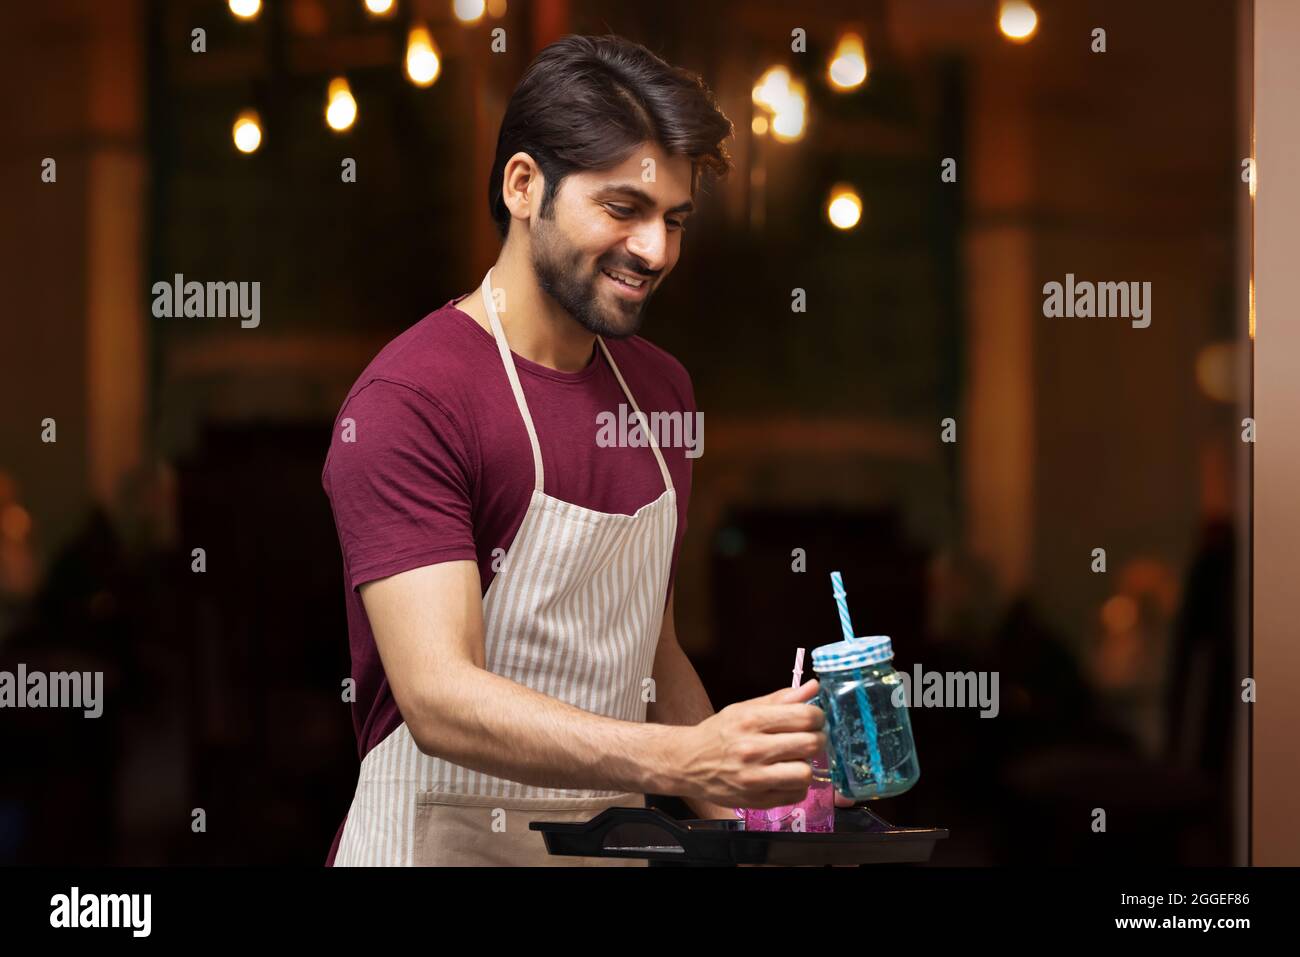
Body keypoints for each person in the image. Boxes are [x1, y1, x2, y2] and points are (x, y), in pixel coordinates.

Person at [322, 34, 826, 866]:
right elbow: (438, 696)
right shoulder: (411, 400)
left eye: (673, 220)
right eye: (623, 209)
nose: (656, 251)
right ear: (525, 186)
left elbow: (652, 663)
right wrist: (683, 757)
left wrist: (757, 810)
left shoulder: (662, 394)